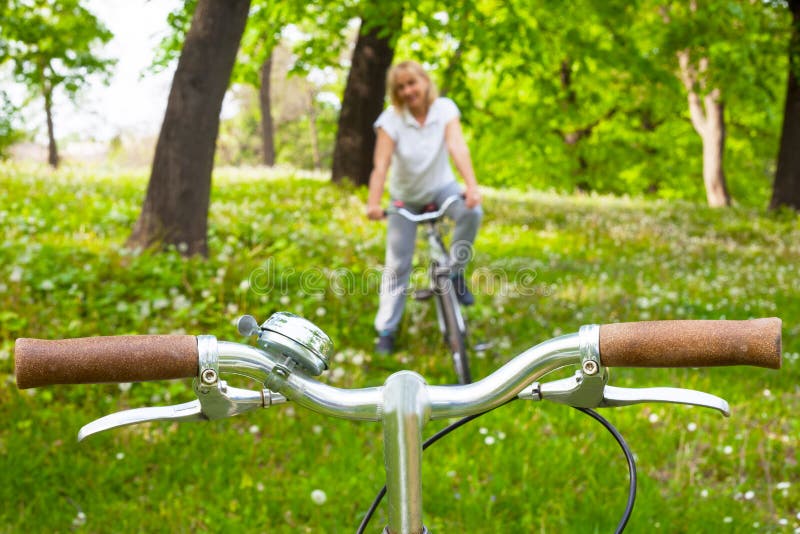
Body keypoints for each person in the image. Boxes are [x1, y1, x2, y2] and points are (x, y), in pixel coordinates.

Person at [366, 60, 483, 355]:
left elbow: (457, 147)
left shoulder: (444, 109)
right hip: (405, 198)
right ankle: (386, 330)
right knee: (398, 263)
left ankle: (454, 272)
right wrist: (373, 203)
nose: (407, 91)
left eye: (412, 83)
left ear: (425, 82)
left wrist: (471, 186)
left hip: (442, 188)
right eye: (400, 87)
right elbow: (381, 165)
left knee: (472, 212)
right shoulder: (390, 120)